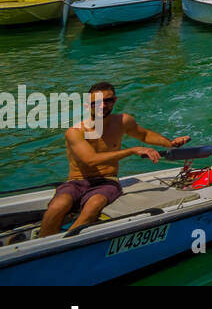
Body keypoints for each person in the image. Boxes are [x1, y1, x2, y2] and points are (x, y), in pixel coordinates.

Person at [39, 82, 189, 239]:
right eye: (96, 102)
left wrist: (171, 144)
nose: (102, 106)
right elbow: (91, 160)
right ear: (86, 105)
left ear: (115, 100)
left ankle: (66, 243)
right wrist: (132, 150)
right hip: (76, 181)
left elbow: (144, 135)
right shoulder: (75, 132)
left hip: (107, 181)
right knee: (58, 205)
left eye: (108, 101)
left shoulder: (122, 121)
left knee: (94, 204)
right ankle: (39, 245)